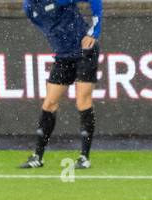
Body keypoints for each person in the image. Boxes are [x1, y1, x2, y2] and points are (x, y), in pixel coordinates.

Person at [20, 0, 103, 169]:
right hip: (63, 56)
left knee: (82, 101)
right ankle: (38, 157)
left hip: (84, 51)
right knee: (49, 103)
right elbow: (43, 24)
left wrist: (94, 33)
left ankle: (84, 157)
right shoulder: (28, 7)